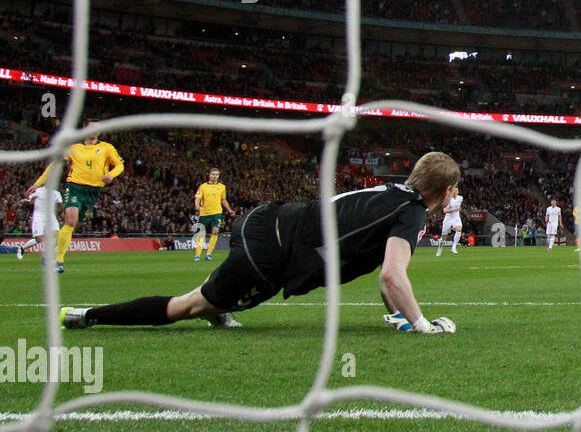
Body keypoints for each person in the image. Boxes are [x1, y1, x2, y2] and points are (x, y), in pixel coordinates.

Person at [60, 152, 461, 335]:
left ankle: (219, 309)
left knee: (211, 299)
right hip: (273, 253)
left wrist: (399, 316)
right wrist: (423, 325)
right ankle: (87, 315)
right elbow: (392, 275)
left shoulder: (388, 193)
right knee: (188, 306)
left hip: (268, 219)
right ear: (445, 192)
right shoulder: (411, 213)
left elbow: (385, 277)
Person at [24, 123, 124, 273]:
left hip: (93, 191)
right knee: (70, 222)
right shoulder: (74, 148)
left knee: (74, 225)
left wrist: (111, 175)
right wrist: (38, 183)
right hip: (75, 187)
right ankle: (59, 261)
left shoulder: (107, 148)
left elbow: (120, 166)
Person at [193, 168, 234, 262]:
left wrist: (229, 210)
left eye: (217, 174)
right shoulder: (203, 186)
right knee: (201, 232)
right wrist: (197, 206)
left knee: (215, 231)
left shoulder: (222, 187)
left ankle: (209, 254)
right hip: (204, 212)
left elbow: (223, 200)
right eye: (213, 174)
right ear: (209, 175)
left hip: (217, 212)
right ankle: (197, 254)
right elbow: (197, 198)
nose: (215, 176)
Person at [16, 184, 63, 261]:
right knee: (39, 239)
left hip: (50, 216)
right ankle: (22, 248)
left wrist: (60, 214)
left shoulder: (56, 193)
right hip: (39, 216)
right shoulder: (38, 191)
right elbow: (28, 202)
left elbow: (61, 205)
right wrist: (28, 201)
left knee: (57, 236)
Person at [436, 185, 463, 256]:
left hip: (456, 218)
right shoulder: (448, 200)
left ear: (458, 192)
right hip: (448, 219)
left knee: (459, 230)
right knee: (443, 237)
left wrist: (457, 211)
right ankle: (439, 249)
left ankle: (453, 248)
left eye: (456, 190)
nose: (455, 192)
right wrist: (455, 209)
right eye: (454, 191)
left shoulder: (460, 198)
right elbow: (445, 211)